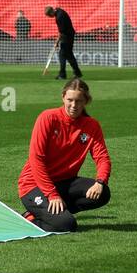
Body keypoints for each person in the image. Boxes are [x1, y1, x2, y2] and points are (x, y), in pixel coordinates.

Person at [18, 78, 112, 232]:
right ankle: (26, 220)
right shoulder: (48, 118)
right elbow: (37, 160)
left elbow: (102, 157)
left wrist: (100, 182)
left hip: (64, 183)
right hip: (33, 185)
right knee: (66, 224)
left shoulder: (92, 125)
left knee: (103, 193)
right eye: (70, 100)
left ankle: (49, 212)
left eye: (79, 101)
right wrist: (52, 194)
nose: (74, 105)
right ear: (63, 97)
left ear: (86, 101)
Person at [45, 5, 82, 79]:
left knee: (62, 55)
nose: (51, 17)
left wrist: (57, 42)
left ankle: (62, 74)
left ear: (51, 13)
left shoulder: (59, 17)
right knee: (69, 55)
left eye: (50, 16)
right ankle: (77, 72)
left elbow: (62, 32)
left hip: (67, 37)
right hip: (69, 35)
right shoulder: (59, 11)